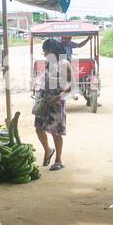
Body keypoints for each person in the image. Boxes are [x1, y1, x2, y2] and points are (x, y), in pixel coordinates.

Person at [34, 38, 72, 171]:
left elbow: (72, 86)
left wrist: (58, 98)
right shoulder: (49, 64)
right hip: (44, 101)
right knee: (39, 128)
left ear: (51, 50)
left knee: (56, 132)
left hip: (56, 103)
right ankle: (48, 150)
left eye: (45, 50)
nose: (43, 53)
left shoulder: (64, 63)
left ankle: (58, 160)